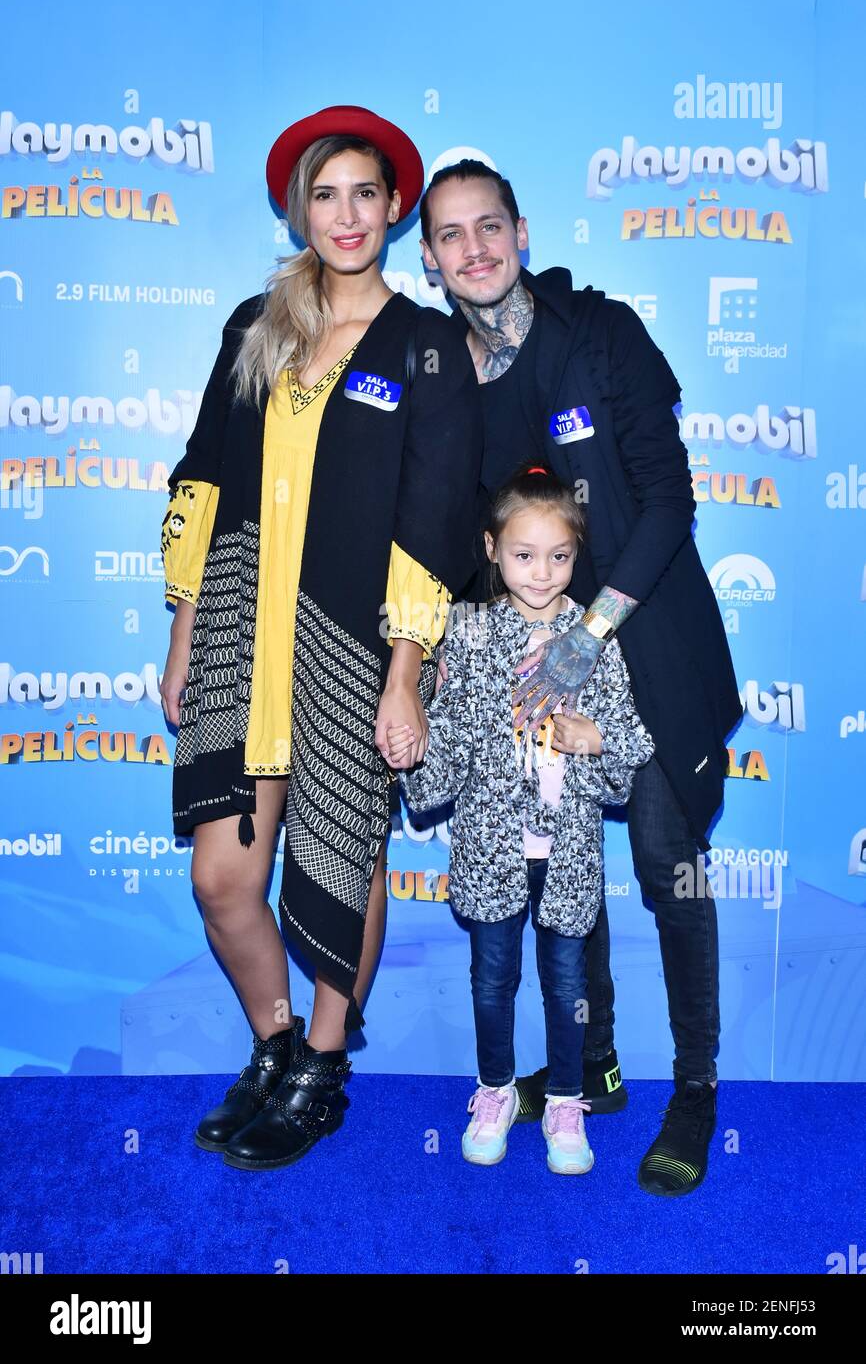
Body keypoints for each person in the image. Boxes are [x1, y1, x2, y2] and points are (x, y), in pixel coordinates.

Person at [158, 106, 481, 1171]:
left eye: (364, 194)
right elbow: (203, 476)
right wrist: (181, 630)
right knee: (222, 879)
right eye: (324, 194)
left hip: (351, 645)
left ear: (394, 211)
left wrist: (406, 675)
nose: (344, 215)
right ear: (300, 207)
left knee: (345, 857)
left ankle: (325, 1064)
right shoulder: (260, 323)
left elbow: (432, 522)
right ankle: (274, 1042)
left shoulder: (428, 346)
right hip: (244, 638)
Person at [418, 160, 744, 1197]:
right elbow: (449, 539)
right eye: (450, 236)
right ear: (426, 260)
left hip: (641, 646)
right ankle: (588, 1063)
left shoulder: (597, 332)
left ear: (520, 230)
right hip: (522, 652)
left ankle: (693, 1083)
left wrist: (586, 636)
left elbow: (668, 501)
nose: (474, 250)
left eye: (489, 227)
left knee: (660, 857)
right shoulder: (438, 377)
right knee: (553, 851)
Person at [390, 464, 654, 1173]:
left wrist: (590, 736)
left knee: (567, 984)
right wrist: (411, 752)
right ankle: (495, 1090)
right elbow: (443, 736)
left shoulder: (596, 638)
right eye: (524, 554)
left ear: (578, 555)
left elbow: (631, 743)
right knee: (490, 977)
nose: (542, 573)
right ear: (491, 550)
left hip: (567, 849)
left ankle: (567, 1100)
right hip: (490, 845)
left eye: (560, 556)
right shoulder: (470, 635)